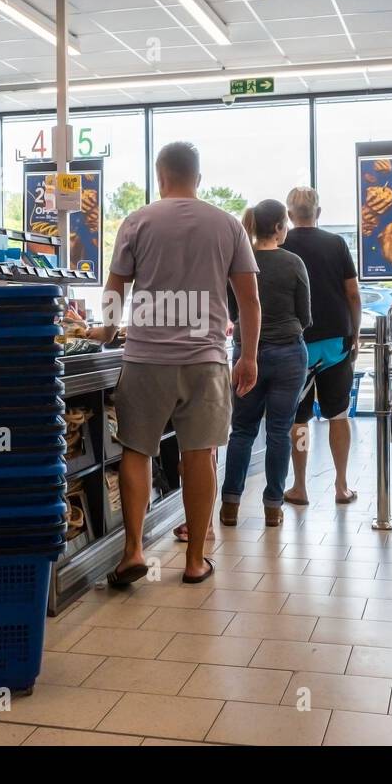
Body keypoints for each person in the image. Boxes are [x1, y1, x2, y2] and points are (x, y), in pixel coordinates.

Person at [88, 142, 260, 586]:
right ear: (197, 178)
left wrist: (104, 333)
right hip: (205, 360)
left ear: (161, 175)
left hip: (146, 358)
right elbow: (250, 300)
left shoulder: (138, 221)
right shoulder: (227, 225)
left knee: (136, 450)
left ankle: (133, 551)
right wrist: (248, 355)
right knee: (199, 453)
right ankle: (195, 559)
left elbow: (115, 290)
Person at [220, 199, 310, 528]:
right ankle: (273, 507)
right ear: (277, 228)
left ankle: (230, 506)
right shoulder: (293, 263)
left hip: (247, 354)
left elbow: (233, 311)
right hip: (288, 354)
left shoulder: (240, 261)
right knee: (278, 432)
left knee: (241, 430)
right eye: (285, 223)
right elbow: (305, 315)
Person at [280, 187, 362, 506]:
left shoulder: (281, 244)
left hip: (296, 344)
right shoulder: (336, 244)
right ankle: (341, 486)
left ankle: (299, 487)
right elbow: (353, 294)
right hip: (334, 345)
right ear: (318, 213)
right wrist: (355, 335)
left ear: (289, 215)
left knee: (299, 420)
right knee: (338, 415)